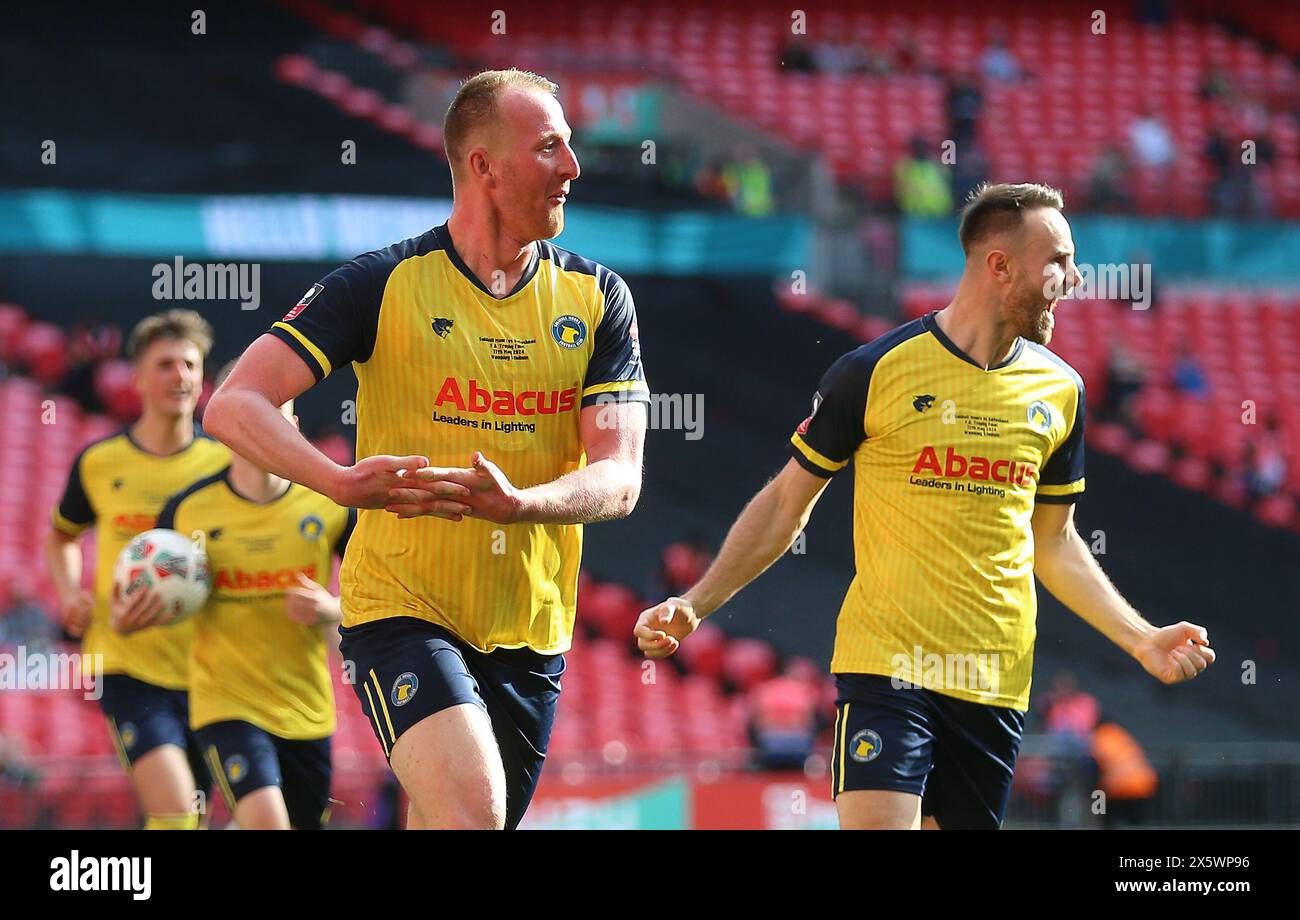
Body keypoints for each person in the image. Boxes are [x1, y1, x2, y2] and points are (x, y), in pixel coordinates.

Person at [634, 183, 1215, 830]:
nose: (1074, 279)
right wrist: (696, 601)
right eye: (1058, 261)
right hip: (887, 670)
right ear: (998, 265)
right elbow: (784, 506)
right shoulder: (875, 370)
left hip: (993, 682)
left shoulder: (1063, 391)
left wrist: (1142, 638)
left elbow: (1053, 542)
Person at [203, 68, 649, 830]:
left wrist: (522, 506)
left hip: (530, 633)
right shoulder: (382, 284)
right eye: (550, 148)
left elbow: (621, 478)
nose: (573, 167)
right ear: (484, 166)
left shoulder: (598, 297)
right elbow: (233, 403)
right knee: (471, 815)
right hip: (401, 614)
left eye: (570, 147)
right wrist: (337, 481)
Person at [128, 360, 355, 830]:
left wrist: (331, 610)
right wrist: (142, 611)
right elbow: (135, 605)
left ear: (292, 425)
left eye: (274, 412)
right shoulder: (186, 510)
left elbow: (378, 605)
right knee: (266, 821)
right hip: (226, 705)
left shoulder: (328, 504)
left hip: (308, 712)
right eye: (249, 413)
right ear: (224, 421)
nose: (260, 426)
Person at [45, 309, 230, 830]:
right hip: (124, 661)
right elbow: (61, 536)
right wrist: (67, 591)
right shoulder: (100, 462)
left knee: (191, 815)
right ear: (138, 378)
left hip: (209, 668)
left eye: (190, 365)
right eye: (166, 364)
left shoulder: (223, 466)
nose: (181, 376)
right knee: (173, 809)